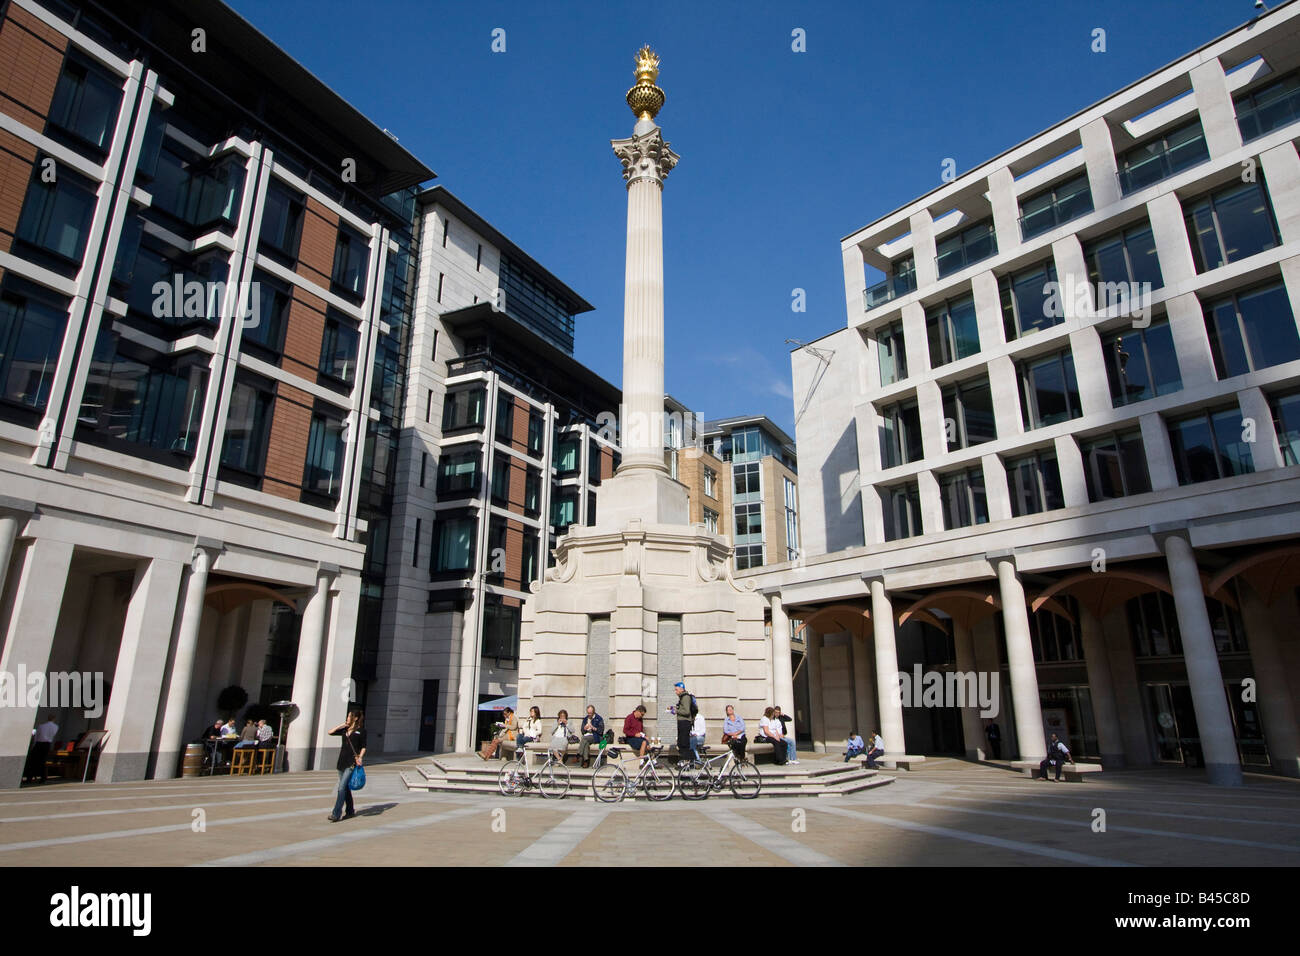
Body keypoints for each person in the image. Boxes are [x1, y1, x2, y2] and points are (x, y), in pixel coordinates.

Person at [326, 709, 366, 822]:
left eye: (349, 716)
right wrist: (342, 725)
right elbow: (330, 732)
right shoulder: (345, 730)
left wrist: (360, 757)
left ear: (356, 718)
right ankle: (350, 811)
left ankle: (336, 813)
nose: (347, 718)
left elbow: (364, 746)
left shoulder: (361, 731)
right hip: (341, 762)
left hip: (351, 763)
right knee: (346, 788)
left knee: (341, 787)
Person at [26, 714, 58, 783]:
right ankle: (43, 778)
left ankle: (30, 777)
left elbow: (36, 737)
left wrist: (34, 745)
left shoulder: (42, 726)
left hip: (39, 743)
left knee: (33, 761)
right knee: (43, 761)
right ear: (54, 719)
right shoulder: (55, 727)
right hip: (47, 744)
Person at [670, 681, 696, 764]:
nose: (675, 692)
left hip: (685, 723)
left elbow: (686, 711)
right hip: (682, 722)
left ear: (681, 689)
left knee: (684, 743)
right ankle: (685, 762)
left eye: (676, 690)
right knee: (681, 743)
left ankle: (688, 762)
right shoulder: (682, 697)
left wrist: (676, 711)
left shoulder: (685, 697)